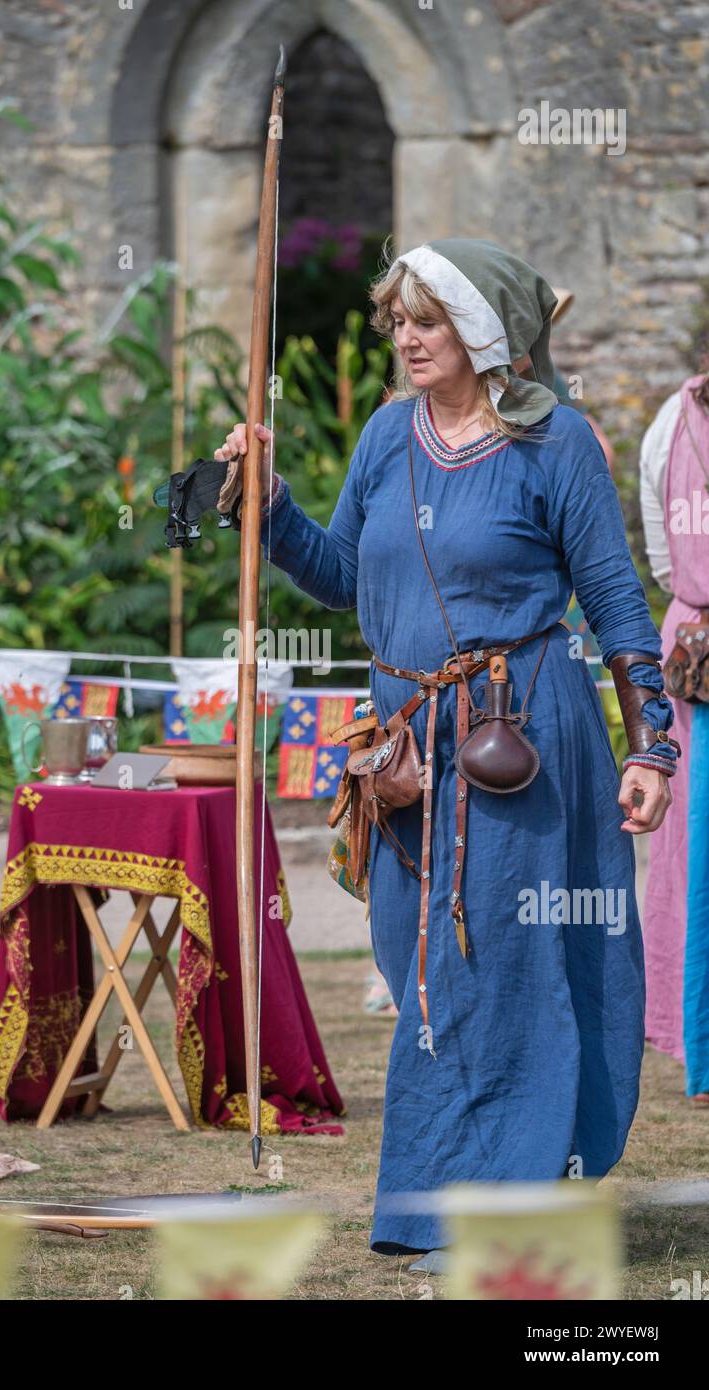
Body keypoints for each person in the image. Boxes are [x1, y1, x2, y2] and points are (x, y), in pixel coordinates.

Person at [215, 237, 677, 1264]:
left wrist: (653, 747)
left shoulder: (557, 444)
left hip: (521, 738)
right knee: (415, 960)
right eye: (397, 320)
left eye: (427, 320)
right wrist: (272, 504)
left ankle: (495, 1212)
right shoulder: (387, 435)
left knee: (498, 964)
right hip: (405, 749)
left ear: (482, 332)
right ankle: (447, 1194)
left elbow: (614, 605)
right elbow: (340, 576)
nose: (406, 337)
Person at [639, 368, 709, 1105]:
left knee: (693, 845)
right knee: (695, 845)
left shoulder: (669, 419)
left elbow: (663, 558)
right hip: (698, 655)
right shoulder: (673, 420)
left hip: (690, 630)